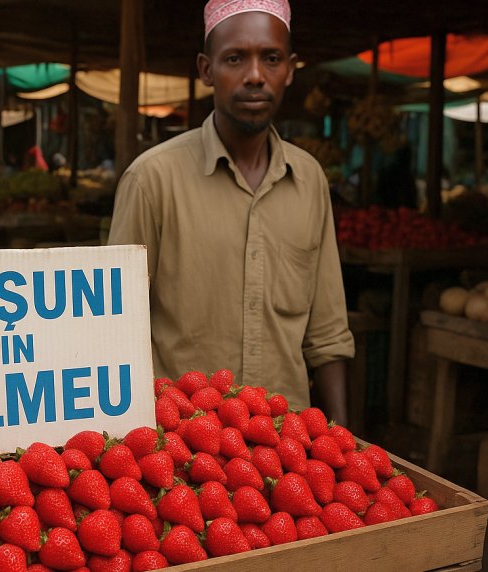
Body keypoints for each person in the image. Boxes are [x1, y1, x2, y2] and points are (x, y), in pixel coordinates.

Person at [108, 0, 354, 422]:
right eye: (235, 58)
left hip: (288, 446)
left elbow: (327, 333)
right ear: (206, 69)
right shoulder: (152, 180)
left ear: (291, 70)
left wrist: (343, 443)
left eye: (271, 59)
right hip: (182, 447)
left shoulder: (309, 179)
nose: (255, 76)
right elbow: (116, 328)